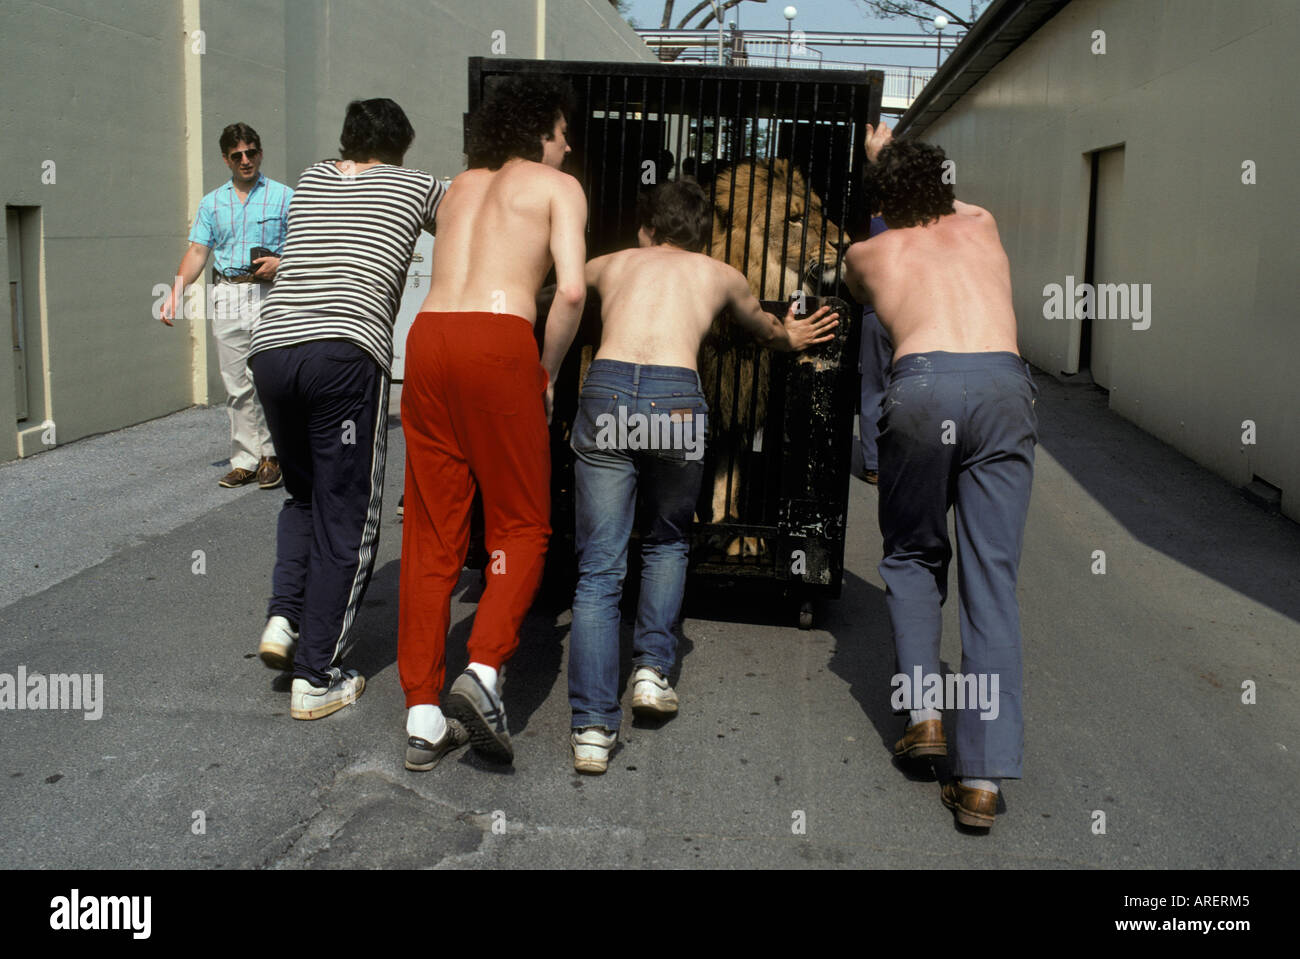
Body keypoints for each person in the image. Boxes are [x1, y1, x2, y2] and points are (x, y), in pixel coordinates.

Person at [569, 179, 839, 774]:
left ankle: (591, 730)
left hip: (609, 391)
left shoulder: (609, 263)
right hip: (675, 400)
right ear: (701, 232)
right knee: (668, 540)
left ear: (646, 229)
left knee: (599, 567)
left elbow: (559, 292)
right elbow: (765, 332)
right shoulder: (722, 275)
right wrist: (791, 334)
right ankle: (650, 671)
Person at [844, 123, 1038, 830]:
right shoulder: (981, 223)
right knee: (993, 580)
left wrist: (878, 171)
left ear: (884, 202)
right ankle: (981, 778)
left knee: (913, 553)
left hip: (923, 388)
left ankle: (923, 713)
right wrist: (901, 165)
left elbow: (875, 263)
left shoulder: (866, 254)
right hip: (1003, 387)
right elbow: (941, 212)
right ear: (948, 189)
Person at [397, 77, 587, 769]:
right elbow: (569, 290)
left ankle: (422, 713)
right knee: (521, 524)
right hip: (499, 342)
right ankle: (481, 669)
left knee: (431, 531)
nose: (568, 146)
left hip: (429, 341)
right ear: (543, 130)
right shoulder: (555, 187)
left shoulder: (460, 186)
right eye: (564, 132)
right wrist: (546, 372)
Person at [246, 99, 449, 726]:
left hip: (273, 349)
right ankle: (316, 676)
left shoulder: (311, 175)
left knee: (304, 496)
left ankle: (285, 617)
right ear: (403, 146)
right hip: (344, 351)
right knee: (349, 515)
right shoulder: (419, 184)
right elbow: (473, 218)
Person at [160, 122, 290, 489]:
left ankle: (271, 456)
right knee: (235, 385)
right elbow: (199, 251)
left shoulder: (284, 196)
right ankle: (245, 460)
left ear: (260, 153)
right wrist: (175, 293)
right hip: (228, 294)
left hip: (269, 294)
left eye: (251, 152)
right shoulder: (212, 203)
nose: (245, 160)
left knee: (264, 377)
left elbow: (306, 243)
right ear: (226, 159)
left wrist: (281, 263)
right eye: (237, 156)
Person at [856, 214, 892, 484]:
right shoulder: (917, 224)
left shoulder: (867, 227)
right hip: (911, 313)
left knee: (873, 389)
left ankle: (873, 465)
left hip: (873, 314)